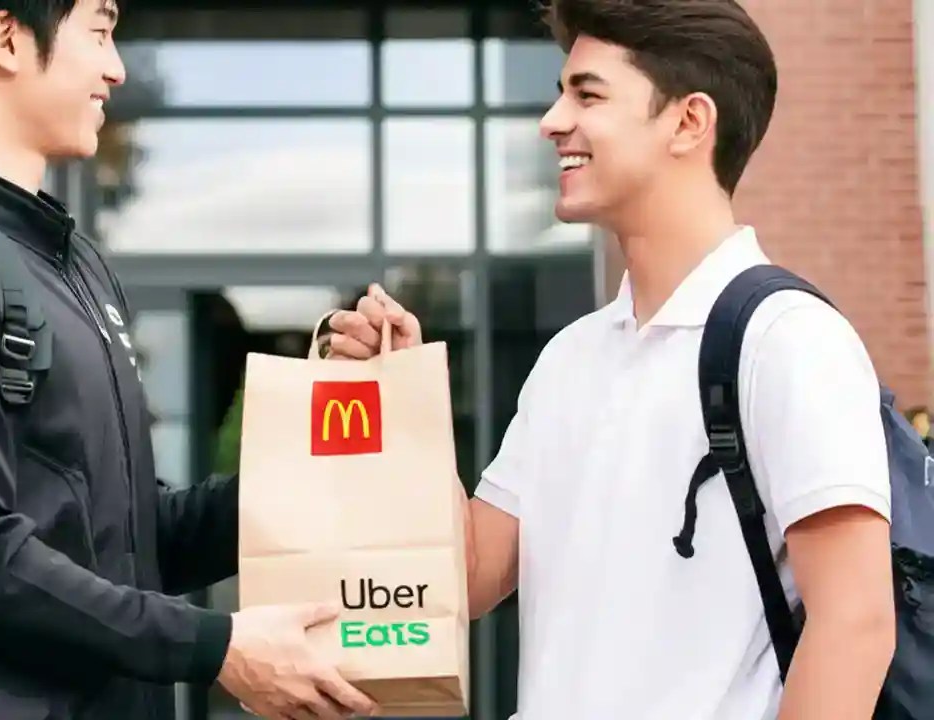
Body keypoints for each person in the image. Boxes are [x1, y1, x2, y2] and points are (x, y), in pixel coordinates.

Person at [327, 0, 896, 718]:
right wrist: (404, 398)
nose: (553, 120)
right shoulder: (571, 358)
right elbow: (466, 578)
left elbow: (856, 624)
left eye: (587, 93)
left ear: (689, 122)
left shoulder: (789, 340)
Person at [0, 1, 379, 719]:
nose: (116, 68)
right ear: (8, 39)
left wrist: (328, 429)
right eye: (101, 30)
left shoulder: (72, 267)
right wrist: (215, 646)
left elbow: (143, 541)